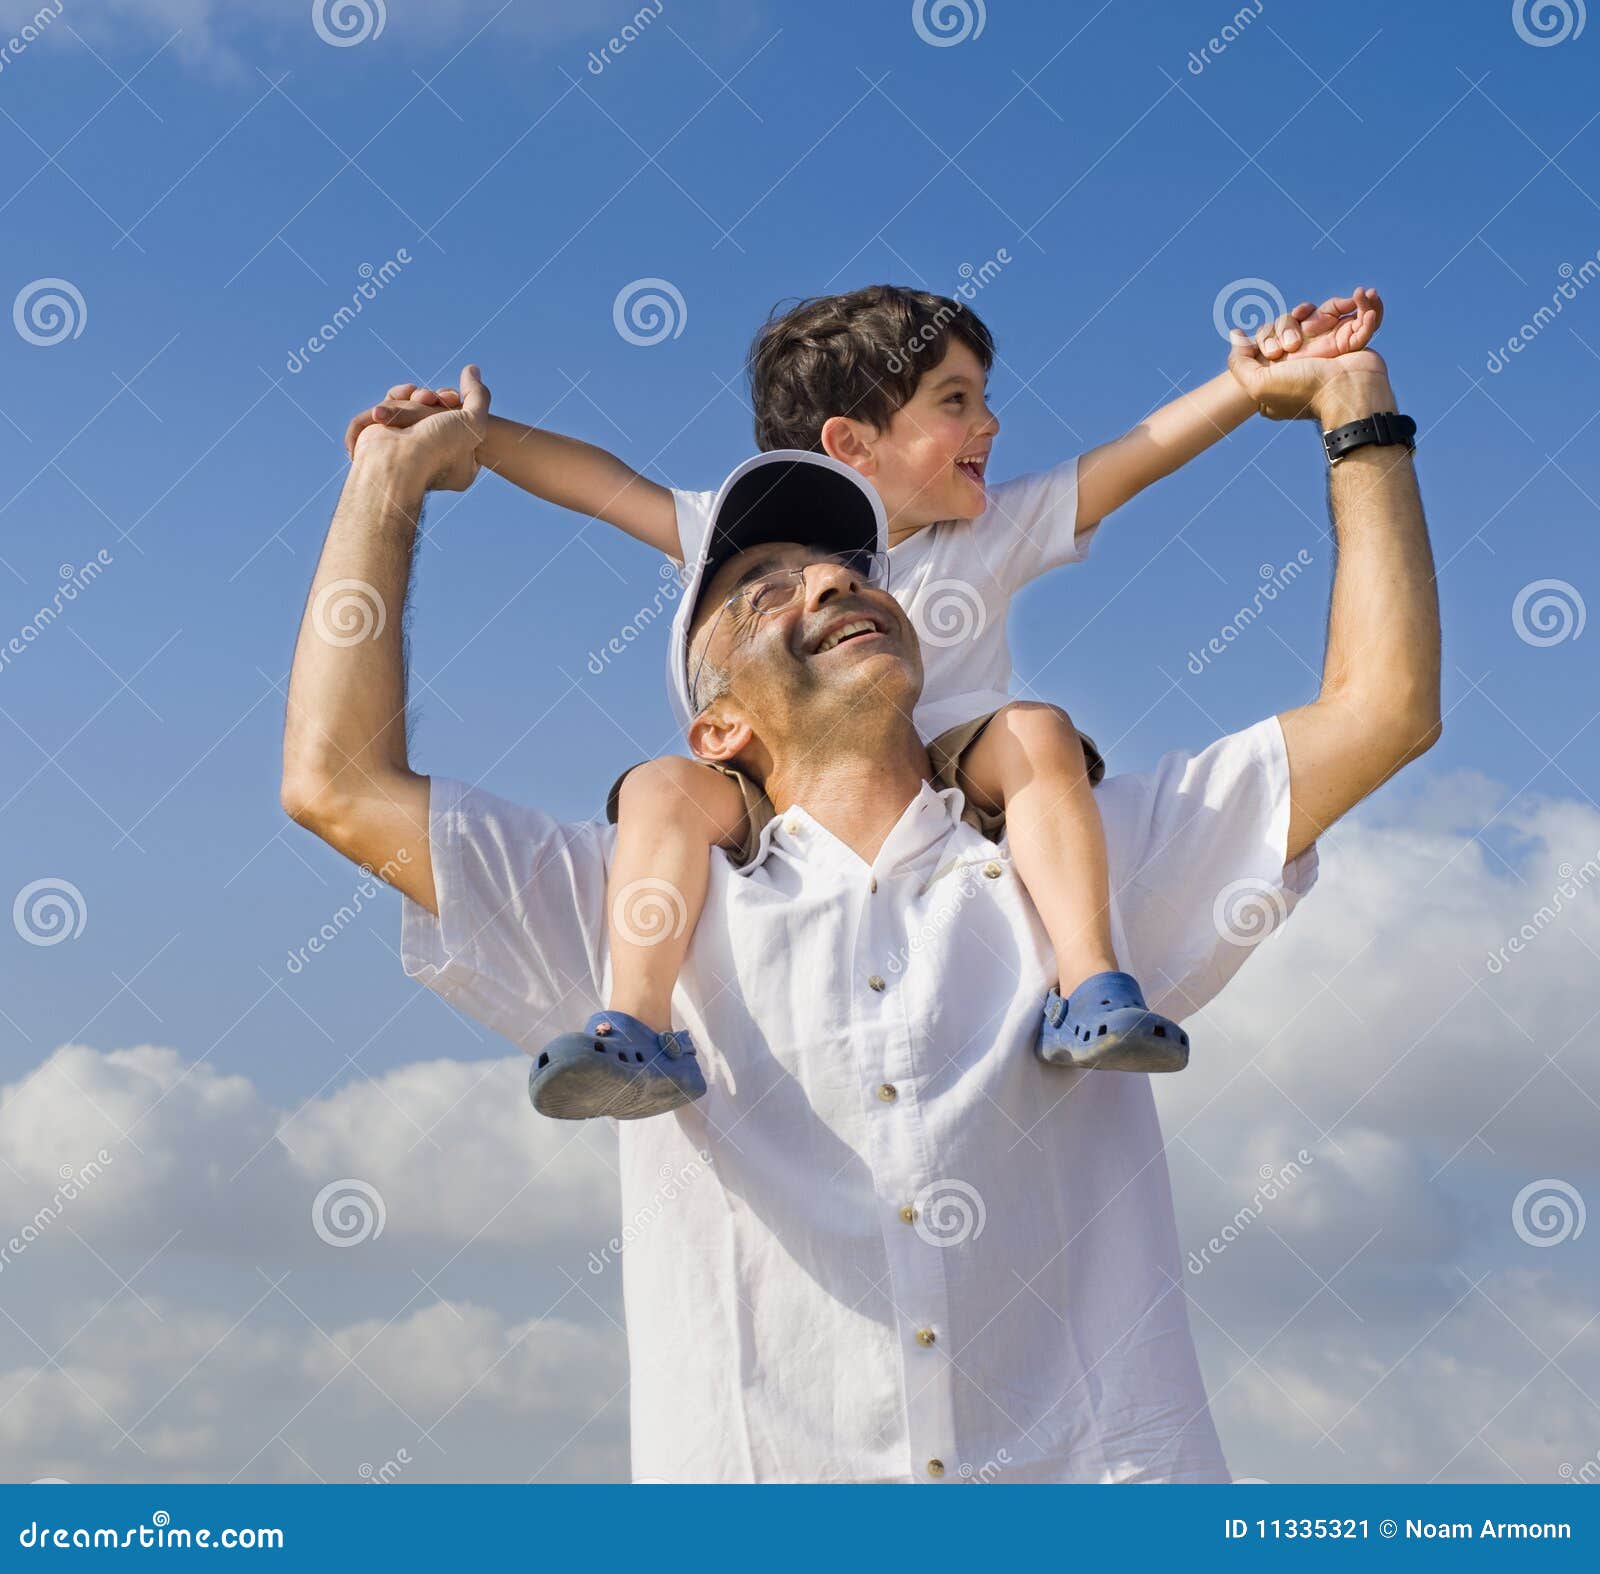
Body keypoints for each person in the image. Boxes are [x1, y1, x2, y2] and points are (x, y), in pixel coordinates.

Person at [282, 329, 1439, 1483]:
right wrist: (388, 477)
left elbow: (1381, 709)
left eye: (850, 571)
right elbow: (334, 781)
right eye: (761, 589)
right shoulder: (640, 904)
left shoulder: (1070, 851)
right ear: (717, 723)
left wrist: (1358, 412)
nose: (834, 578)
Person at [342, 284, 1385, 1119]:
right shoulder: (738, 534)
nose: (990, 421)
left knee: (1032, 731)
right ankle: (636, 1021)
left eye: (981, 394)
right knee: (663, 787)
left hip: (955, 779)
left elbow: (1133, 457)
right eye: (955, 400)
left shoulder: (990, 530)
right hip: (793, 785)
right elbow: (603, 483)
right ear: (851, 442)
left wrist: (1246, 389)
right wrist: (479, 441)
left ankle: (1091, 980)